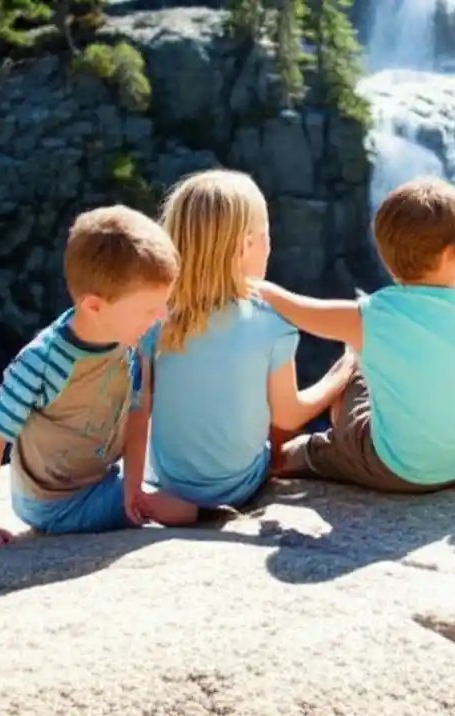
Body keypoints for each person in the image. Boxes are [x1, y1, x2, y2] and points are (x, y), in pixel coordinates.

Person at [0, 205, 198, 554]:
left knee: (185, 480)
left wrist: (133, 486)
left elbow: (137, 409)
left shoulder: (130, 335)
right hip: (55, 501)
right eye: (150, 309)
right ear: (95, 306)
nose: (162, 317)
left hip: (101, 475)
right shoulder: (43, 362)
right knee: (186, 508)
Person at [255, 176, 455, 493]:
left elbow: (302, 311)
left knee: (354, 364)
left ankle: (297, 455)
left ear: (387, 259)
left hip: (395, 469)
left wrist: (263, 290)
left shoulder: (373, 315)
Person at [141, 169, 354, 509]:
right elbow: (288, 415)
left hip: (168, 481)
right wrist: (340, 375)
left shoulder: (153, 320)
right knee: (282, 434)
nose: (271, 245)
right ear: (244, 247)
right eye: (266, 236)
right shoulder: (271, 323)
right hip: (239, 486)